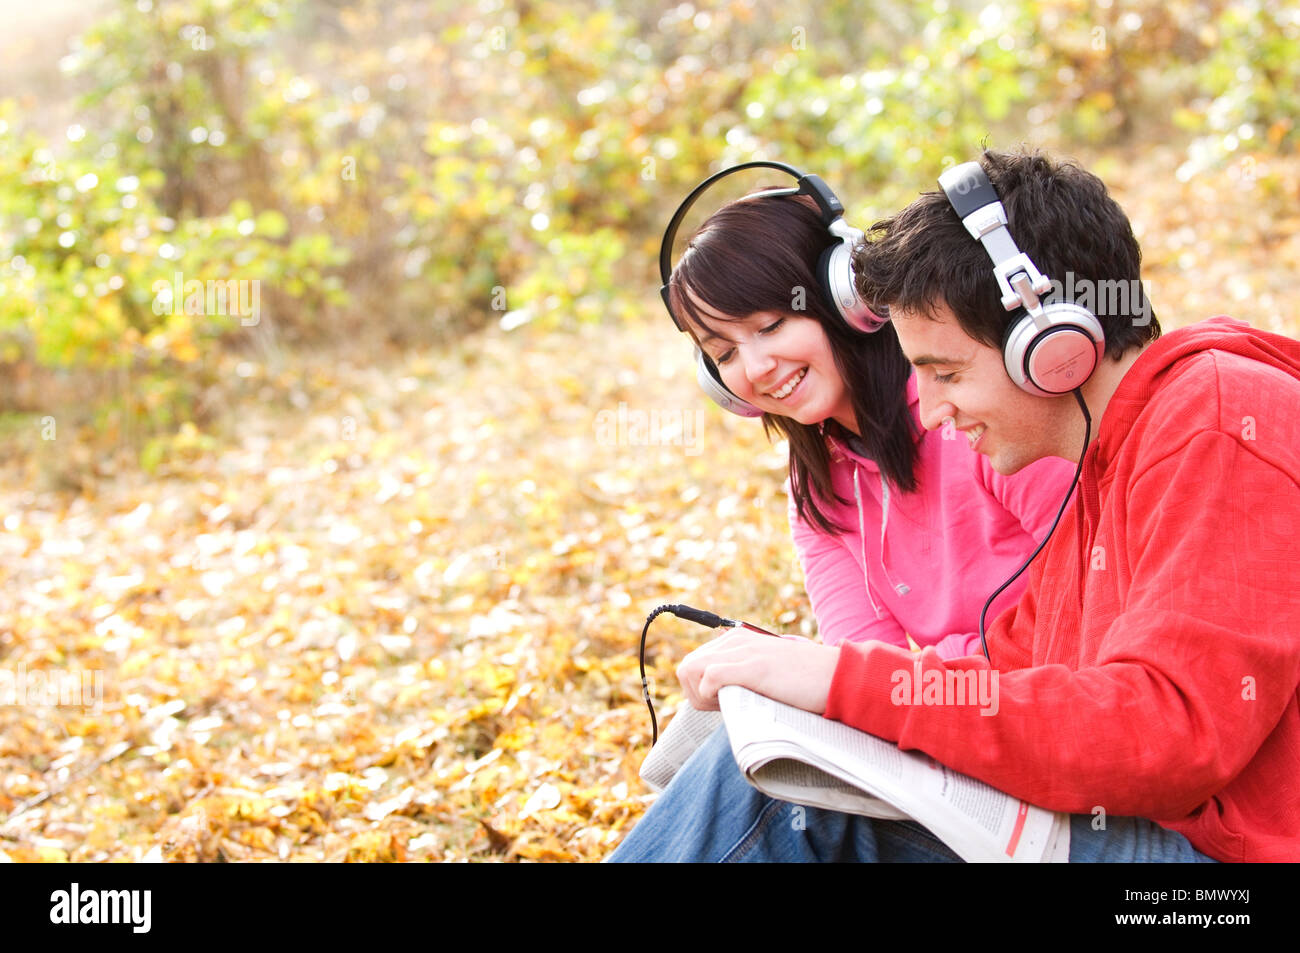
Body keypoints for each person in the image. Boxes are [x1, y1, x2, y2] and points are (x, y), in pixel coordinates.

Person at [610, 149, 1300, 863]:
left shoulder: (1218, 418)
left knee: (786, 800)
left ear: (1050, 344)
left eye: (945, 373)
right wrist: (808, 682)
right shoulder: (1104, 467)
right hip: (1150, 835)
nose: (932, 410)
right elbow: (1010, 672)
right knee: (798, 763)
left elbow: (1165, 737)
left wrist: (844, 680)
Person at [659, 165, 1077, 659]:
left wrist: (924, 669)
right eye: (725, 354)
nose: (756, 368)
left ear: (846, 298)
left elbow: (1089, 606)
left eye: (771, 326)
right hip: (935, 707)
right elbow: (861, 656)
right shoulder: (816, 486)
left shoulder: (980, 414)